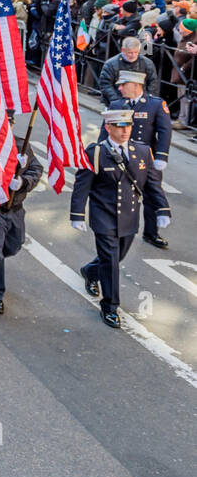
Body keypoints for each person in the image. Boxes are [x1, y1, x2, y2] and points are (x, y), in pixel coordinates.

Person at [71, 109, 169, 328]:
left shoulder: (143, 151)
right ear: (108, 128)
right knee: (111, 262)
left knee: (118, 257)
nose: (125, 131)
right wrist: (77, 214)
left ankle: (90, 271)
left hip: (129, 217)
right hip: (103, 216)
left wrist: (162, 208)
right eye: (119, 127)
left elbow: (153, 185)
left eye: (128, 126)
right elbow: (82, 186)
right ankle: (110, 306)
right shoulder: (96, 153)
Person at [0, 115, 44, 315]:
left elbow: (37, 169)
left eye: (10, 123)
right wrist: (10, 171)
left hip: (15, 208)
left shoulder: (22, 145)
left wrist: (23, 181)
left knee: (14, 245)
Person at [102, 69, 173, 249]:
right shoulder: (117, 104)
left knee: (151, 193)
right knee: (122, 193)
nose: (119, 88)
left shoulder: (155, 104)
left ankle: (151, 233)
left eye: (123, 85)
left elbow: (165, 131)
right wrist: (100, 152)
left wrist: (161, 156)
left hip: (146, 157)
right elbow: (106, 130)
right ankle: (120, 228)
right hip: (122, 155)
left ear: (135, 85)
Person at [96, 36, 160, 102]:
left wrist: (146, 100)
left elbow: (153, 84)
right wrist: (116, 101)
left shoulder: (147, 63)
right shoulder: (111, 64)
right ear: (123, 50)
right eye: (130, 52)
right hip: (115, 101)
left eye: (136, 52)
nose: (133, 55)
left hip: (140, 102)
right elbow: (105, 84)